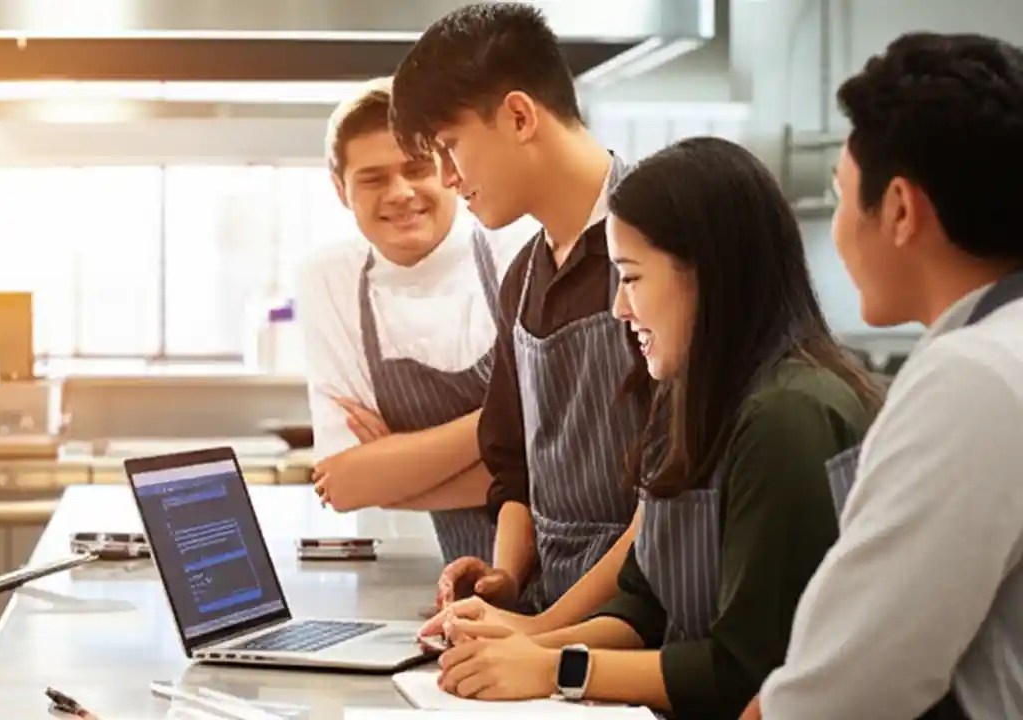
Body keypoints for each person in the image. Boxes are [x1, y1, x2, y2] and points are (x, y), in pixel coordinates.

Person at [431, 136, 881, 718]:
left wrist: (554, 668)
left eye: (633, 278)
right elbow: (644, 606)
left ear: (711, 275)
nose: (619, 307)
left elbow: (744, 667)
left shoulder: (788, 418)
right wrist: (517, 646)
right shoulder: (688, 399)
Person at [747, 32, 1023, 720]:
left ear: (899, 207)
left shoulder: (974, 378)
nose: (839, 228)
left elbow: (844, 693)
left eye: (843, 196)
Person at [389, 1, 645, 626]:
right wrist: (506, 578)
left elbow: (672, 500)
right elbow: (512, 468)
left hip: (641, 628)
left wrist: (537, 636)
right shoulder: (522, 277)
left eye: (450, 149)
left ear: (519, 116)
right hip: (549, 621)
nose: (448, 179)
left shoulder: (666, 241)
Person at [298, 77, 531, 564]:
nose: (400, 193)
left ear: (448, 169)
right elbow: (343, 483)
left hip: (576, 573)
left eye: (416, 168)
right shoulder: (330, 278)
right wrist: (506, 424)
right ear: (340, 189)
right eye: (373, 178)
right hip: (461, 582)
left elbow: (564, 467)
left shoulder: (517, 248)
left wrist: (398, 472)